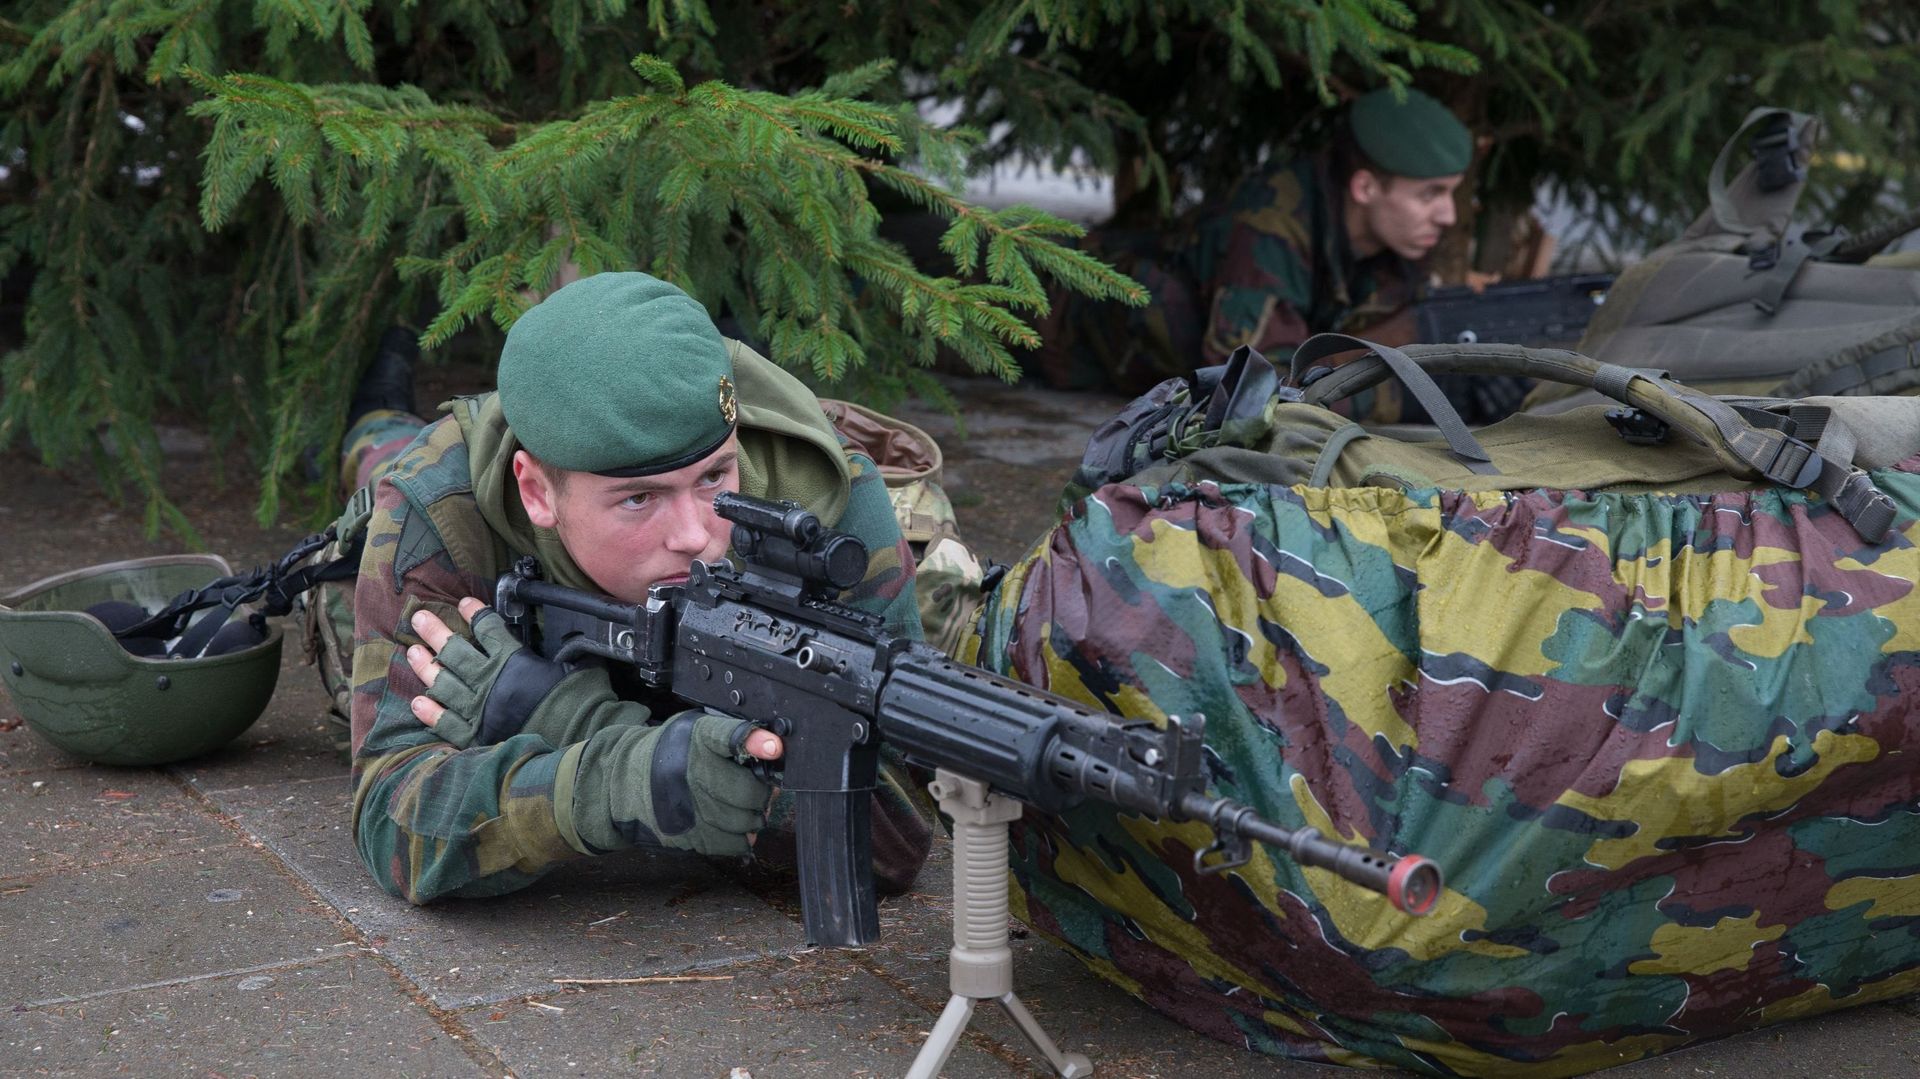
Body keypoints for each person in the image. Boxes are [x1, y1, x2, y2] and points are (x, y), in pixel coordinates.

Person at [337, 271, 935, 903]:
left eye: (714, 478)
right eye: (640, 498)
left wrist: (581, 723)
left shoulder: (825, 500)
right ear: (537, 491)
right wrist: (613, 785)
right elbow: (393, 816)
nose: (695, 536)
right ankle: (376, 408)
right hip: (434, 481)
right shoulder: (443, 514)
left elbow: (898, 832)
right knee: (379, 461)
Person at [1031, 86, 1473, 415]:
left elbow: (1368, 344)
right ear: (1365, 187)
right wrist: (1414, 395)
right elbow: (1260, 393)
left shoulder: (1394, 244)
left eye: (1451, 194)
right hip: (1044, 318)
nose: (1448, 216)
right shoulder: (1267, 225)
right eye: (1429, 195)